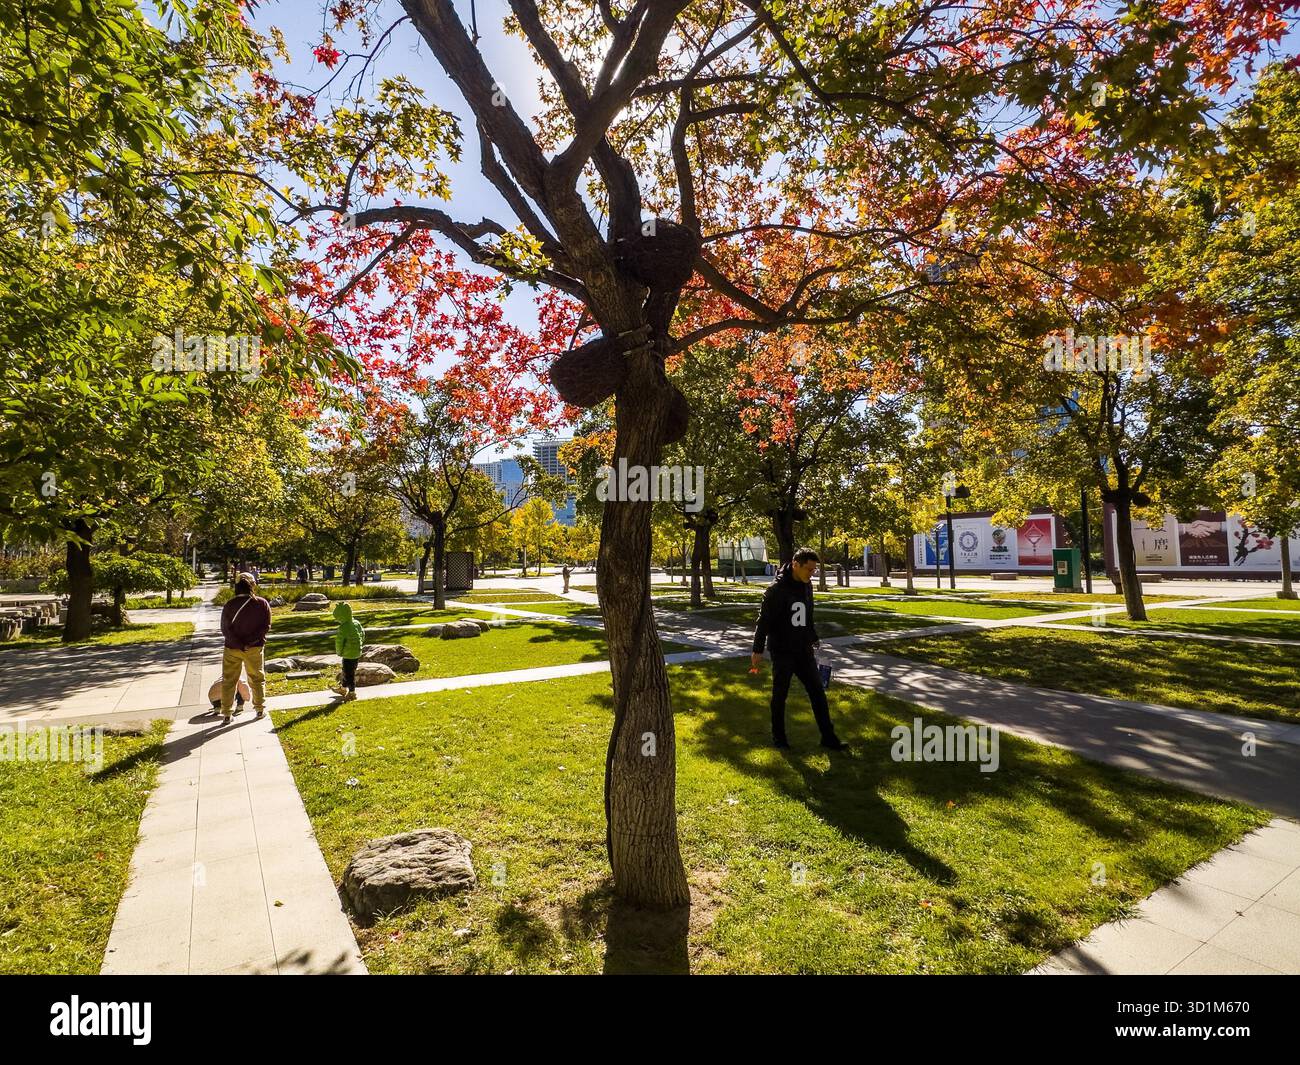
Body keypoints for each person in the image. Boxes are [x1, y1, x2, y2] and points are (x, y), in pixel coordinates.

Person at [751, 547, 847, 751]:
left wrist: (812, 637)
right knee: (780, 695)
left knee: (818, 693)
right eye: (809, 569)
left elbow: (807, 615)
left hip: (803, 651)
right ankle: (779, 738)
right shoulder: (776, 590)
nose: (812, 574)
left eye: (814, 570)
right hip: (783, 651)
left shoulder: (807, 585)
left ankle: (828, 737)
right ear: (795, 565)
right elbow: (764, 621)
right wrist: (757, 649)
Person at [219, 572, 271, 724]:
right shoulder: (261, 603)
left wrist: (239, 643)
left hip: (232, 648)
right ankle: (259, 709)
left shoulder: (229, 604)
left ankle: (227, 713)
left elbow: (225, 629)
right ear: (253, 585)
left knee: (229, 680)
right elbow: (265, 626)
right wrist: (250, 642)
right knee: (257, 678)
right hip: (254, 648)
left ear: (236, 586)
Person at [329, 601, 364, 702]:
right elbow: (363, 634)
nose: (338, 621)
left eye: (338, 618)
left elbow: (339, 642)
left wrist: (339, 652)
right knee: (346, 671)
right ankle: (343, 689)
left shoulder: (343, 628)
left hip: (348, 655)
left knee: (349, 675)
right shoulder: (356, 623)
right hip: (356, 653)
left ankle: (352, 693)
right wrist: (359, 645)